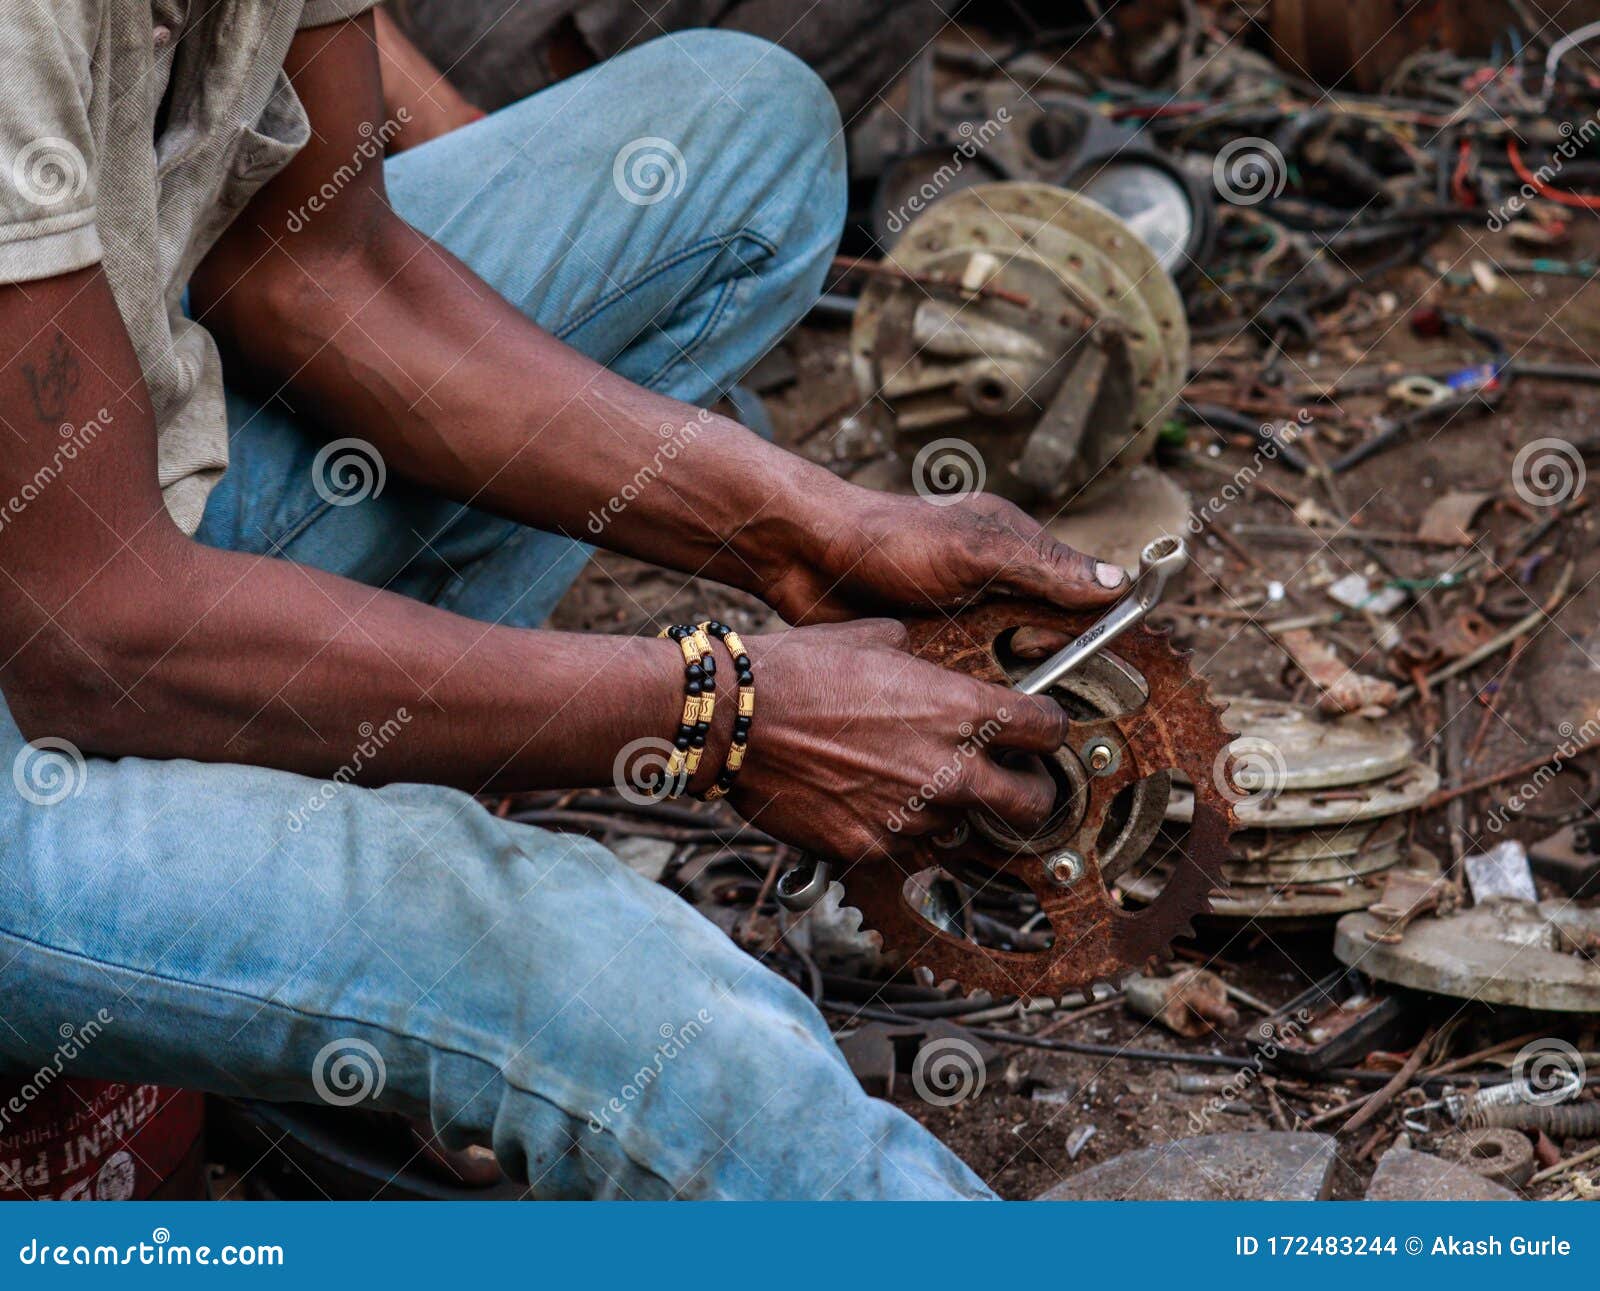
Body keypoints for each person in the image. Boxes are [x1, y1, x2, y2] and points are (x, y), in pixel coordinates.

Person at [0, 5, 1126, 1199]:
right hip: (69, 649)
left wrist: (808, 527)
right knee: (588, 976)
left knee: (744, 136)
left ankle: (298, 864)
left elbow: (316, 267)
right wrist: (718, 706)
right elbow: (98, 641)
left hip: (97, 499)